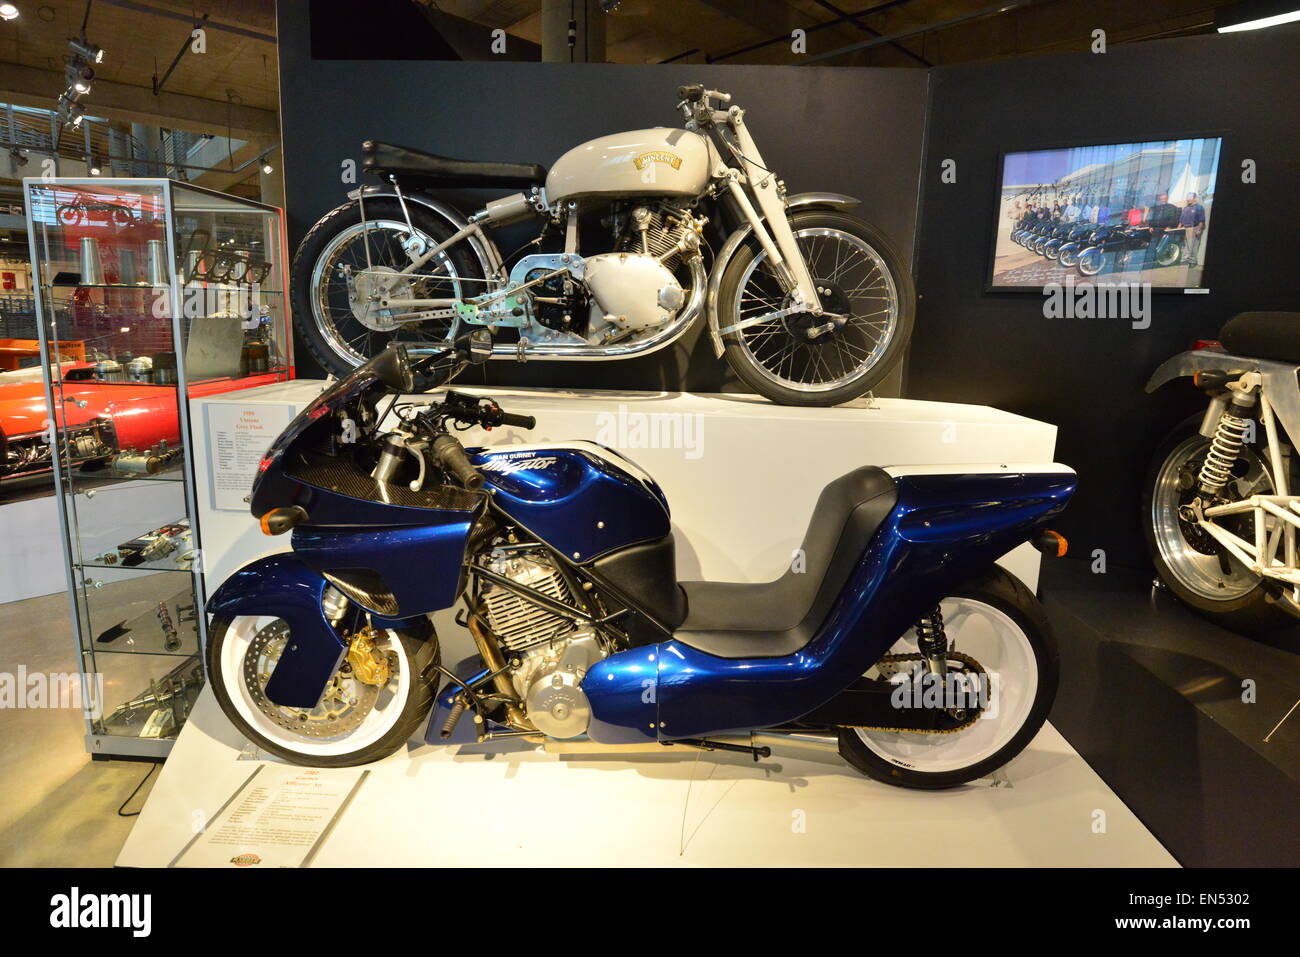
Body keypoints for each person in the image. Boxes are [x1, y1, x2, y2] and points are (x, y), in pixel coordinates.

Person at [1145, 191, 1182, 264]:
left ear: (1167, 199)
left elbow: (1174, 218)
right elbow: (1151, 217)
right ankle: (1150, 260)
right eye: (1161, 199)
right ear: (1159, 199)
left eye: (1164, 198)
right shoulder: (1156, 208)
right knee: (1152, 245)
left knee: (1162, 246)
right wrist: (1150, 226)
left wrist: (1169, 226)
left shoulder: (1171, 207)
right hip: (1155, 229)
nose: (1163, 200)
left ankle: (1159, 260)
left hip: (1165, 230)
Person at [1178, 192, 1206, 267]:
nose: (1188, 200)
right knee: (1185, 246)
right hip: (1185, 228)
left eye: (1190, 199)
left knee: (1193, 245)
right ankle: (1184, 260)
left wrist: (1199, 230)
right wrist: (1178, 229)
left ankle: (1192, 261)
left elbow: (1201, 220)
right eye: (1187, 199)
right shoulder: (1186, 208)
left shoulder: (1199, 207)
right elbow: (1181, 220)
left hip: (1194, 228)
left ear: (1194, 198)